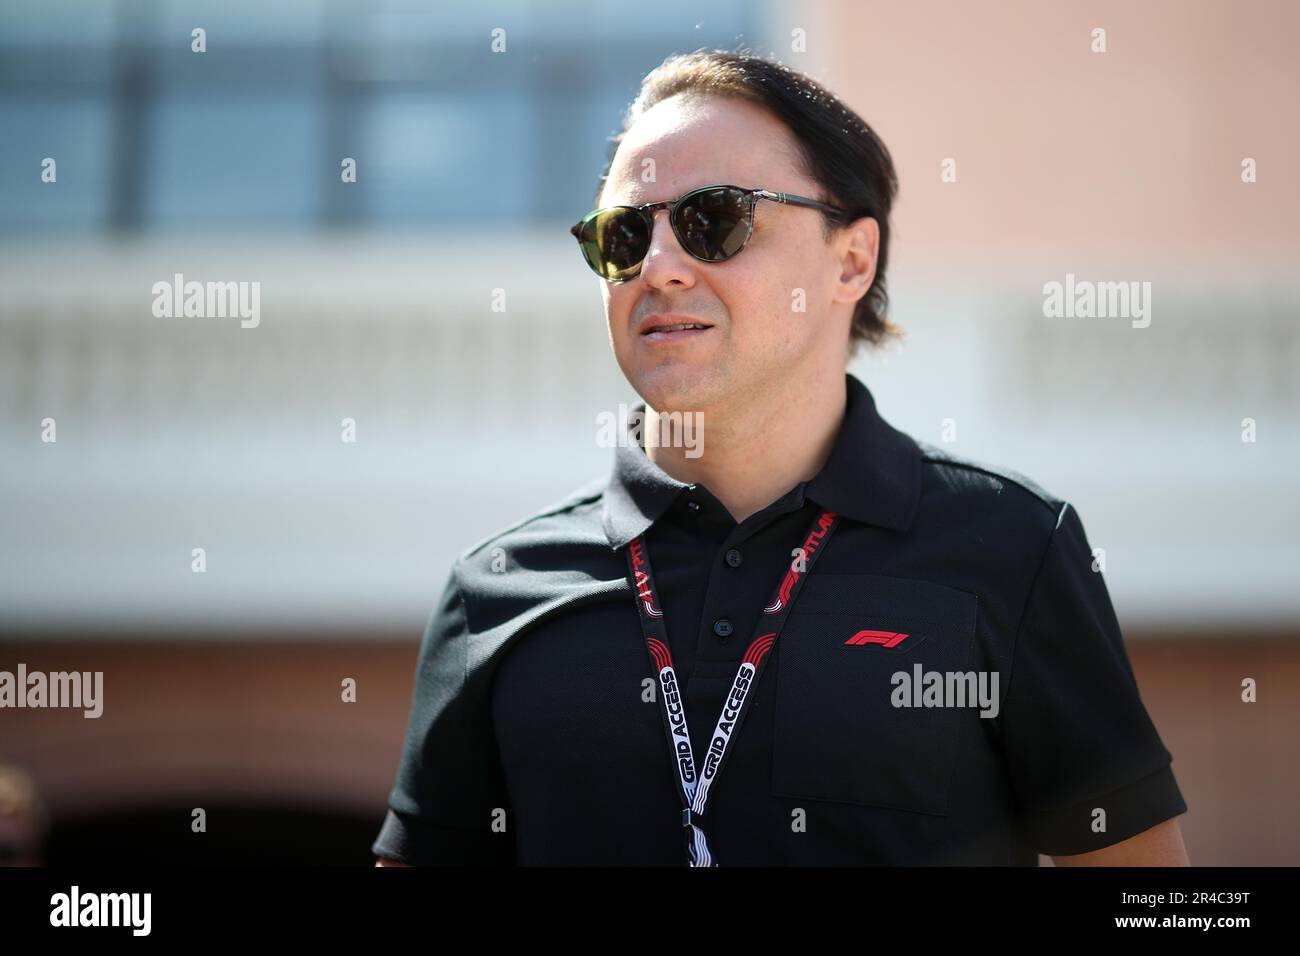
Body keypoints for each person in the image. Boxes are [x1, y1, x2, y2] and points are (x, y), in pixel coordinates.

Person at [373, 49, 1188, 866]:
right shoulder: (495, 591)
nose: (656, 268)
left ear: (851, 262)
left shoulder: (1013, 548)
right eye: (623, 235)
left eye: (713, 219)